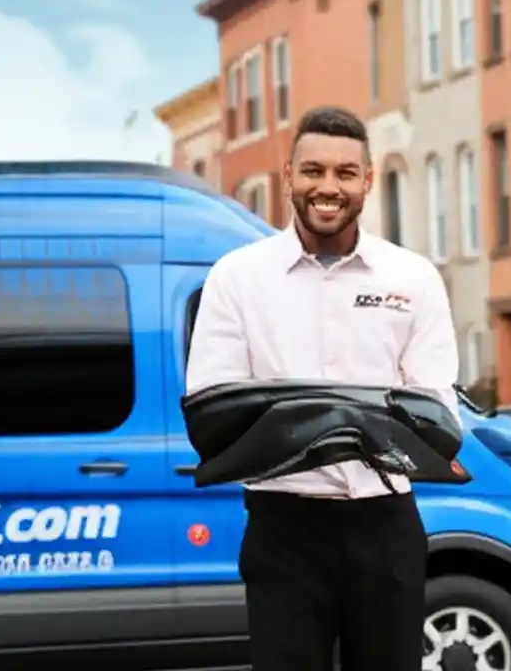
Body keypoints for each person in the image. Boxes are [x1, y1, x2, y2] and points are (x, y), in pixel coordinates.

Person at [185, 104, 460, 671]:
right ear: (289, 177)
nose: (327, 187)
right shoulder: (237, 278)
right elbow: (216, 411)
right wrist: (365, 420)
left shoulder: (412, 278)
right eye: (312, 171)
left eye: (343, 173)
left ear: (367, 180)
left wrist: (293, 418)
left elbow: (432, 411)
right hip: (283, 527)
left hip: (385, 526)